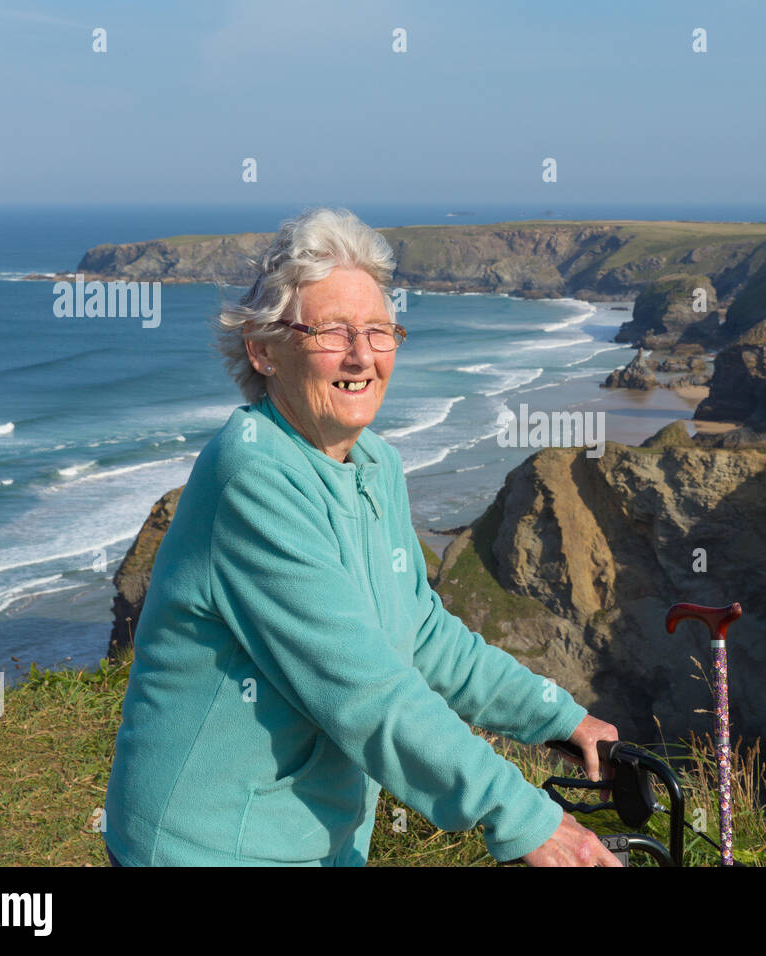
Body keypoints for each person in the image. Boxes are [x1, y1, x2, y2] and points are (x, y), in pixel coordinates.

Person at [103, 207, 621, 866]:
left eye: (379, 330)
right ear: (263, 349)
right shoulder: (254, 476)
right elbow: (364, 690)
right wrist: (522, 818)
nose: (361, 356)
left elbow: (423, 634)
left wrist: (558, 717)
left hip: (318, 843)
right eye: (331, 331)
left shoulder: (375, 465)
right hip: (206, 846)